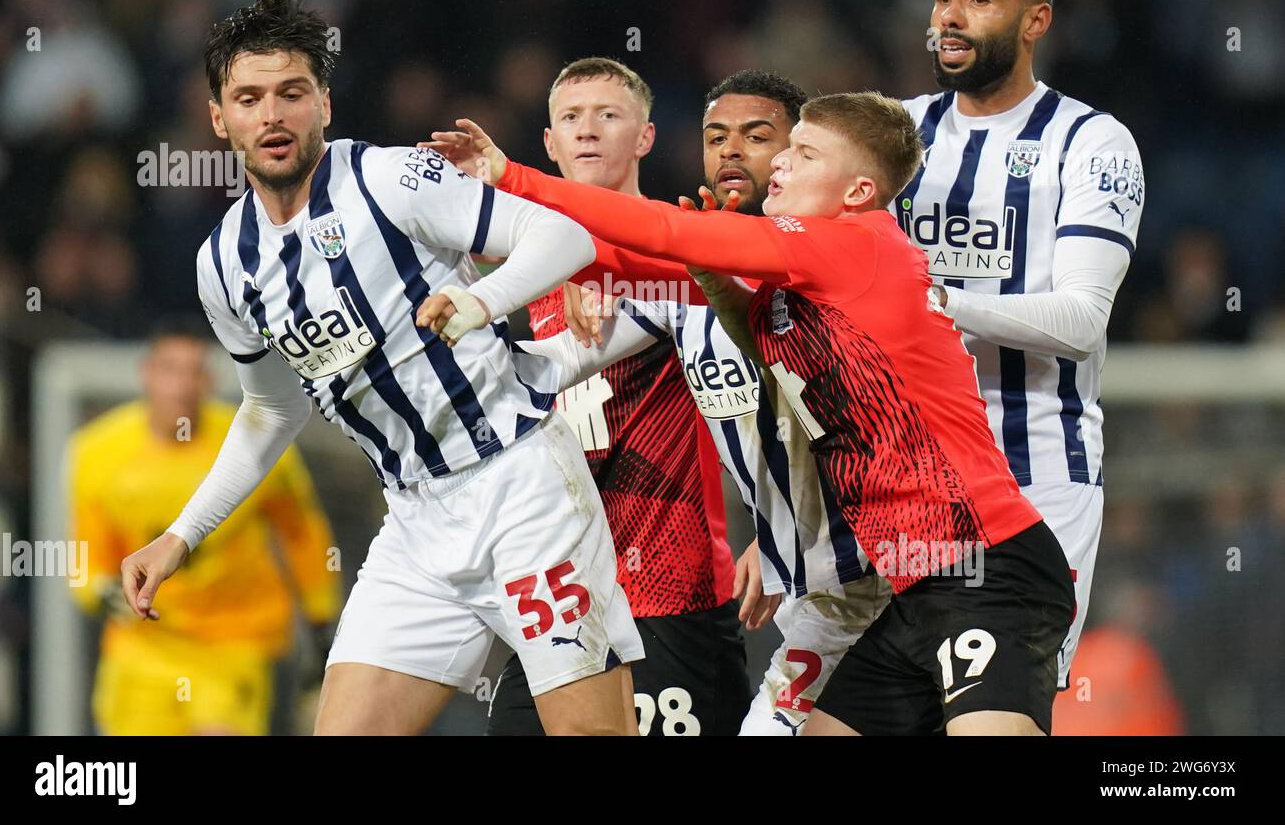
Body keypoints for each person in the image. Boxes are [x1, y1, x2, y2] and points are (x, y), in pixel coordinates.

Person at [422, 91, 1074, 735]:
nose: (782, 163)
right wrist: (525, 234)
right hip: (915, 590)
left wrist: (514, 177)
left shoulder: (854, 244)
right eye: (787, 149)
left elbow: (662, 228)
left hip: (988, 567)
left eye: (806, 152)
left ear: (855, 193)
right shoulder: (796, 280)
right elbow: (647, 264)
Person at [118, 0, 642, 736]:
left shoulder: (389, 178)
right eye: (250, 97)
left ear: (324, 104)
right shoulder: (224, 262)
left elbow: (565, 238)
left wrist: (479, 301)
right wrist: (181, 534)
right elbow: (273, 407)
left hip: (521, 488)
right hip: (415, 525)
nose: (272, 115)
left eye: (292, 93)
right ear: (218, 118)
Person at [514, 70, 892, 735]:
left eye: (757, 136)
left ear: (797, 155)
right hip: (815, 593)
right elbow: (577, 352)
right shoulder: (690, 281)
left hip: (888, 572)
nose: (731, 152)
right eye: (716, 137)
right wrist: (576, 263)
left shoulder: (830, 259)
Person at [896, 0, 1145, 690]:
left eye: (978, 0)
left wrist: (931, 301)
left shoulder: (1092, 140)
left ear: (1035, 21)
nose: (950, 18)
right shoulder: (893, 133)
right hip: (900, 479)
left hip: (1037, 476)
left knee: (1001, 701)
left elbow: (1078, 321)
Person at [486, 57, 745, 737]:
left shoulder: (684, 245)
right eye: (571, 118)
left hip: (670, 585)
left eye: (608, 115)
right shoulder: (524, 264)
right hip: (560, 589)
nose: (588, 130)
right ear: (548, 144)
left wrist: (592, 257)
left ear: (646, 138)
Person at [69, 316, 339, 735]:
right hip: (144, 648)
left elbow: (303, 534)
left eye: (194, 371)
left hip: (233, 643)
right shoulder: (97, 453)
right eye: (170, 370)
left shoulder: (254, 441)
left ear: (210, 379)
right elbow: (87, 553)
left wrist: (323, 622)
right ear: (147, 374)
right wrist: (100, 592)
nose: (182, 385)